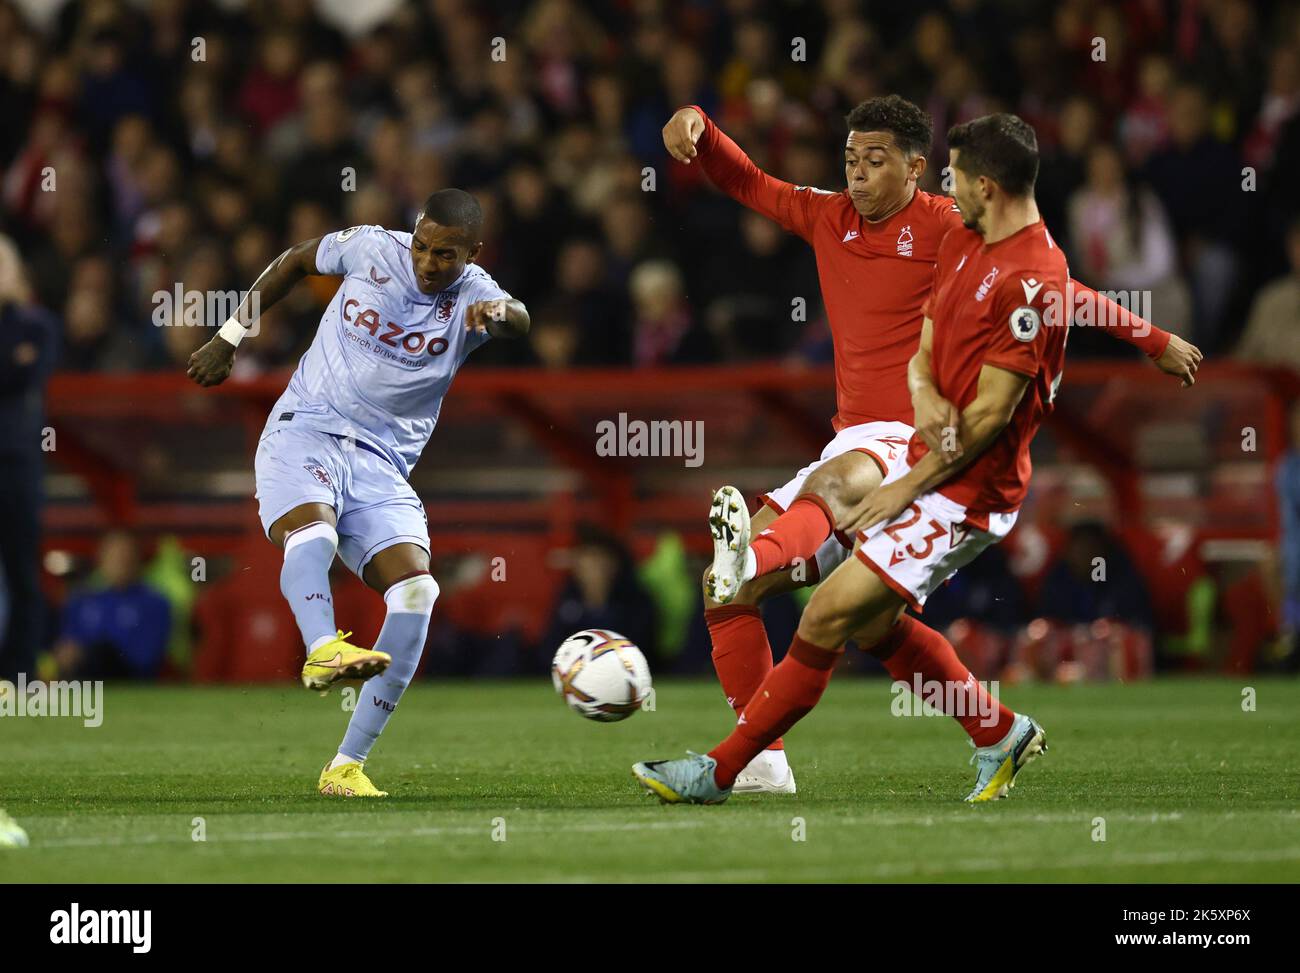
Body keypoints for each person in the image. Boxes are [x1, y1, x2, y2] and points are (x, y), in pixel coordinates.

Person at [634, 113, 1195, 805]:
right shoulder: (827, 218)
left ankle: (755, 567)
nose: (857, 173)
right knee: (780, 606)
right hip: (857, 434)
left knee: (829, 502)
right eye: (849, 158)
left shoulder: (951, 226)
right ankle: (772, 759)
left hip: (915, 438)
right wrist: (701, 131)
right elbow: (746, 182)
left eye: (874, 160)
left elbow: (1055, 290)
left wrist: (1150, 336)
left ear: (915, 168)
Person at [186, 189, 530, 797]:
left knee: (419, 590)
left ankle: (346, 766)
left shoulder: (476, 293)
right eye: (422, 246)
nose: (427, 262)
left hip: (382, 463)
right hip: (307, 427)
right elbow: (295, 259)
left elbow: (520, 318)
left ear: (472, 254)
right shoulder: (372, 247)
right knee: (312, 530)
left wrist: (499, 316)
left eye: (445, 255)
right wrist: (230, 336)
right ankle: (322, 645)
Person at [0, 234, 57, 681]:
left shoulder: (37, 325)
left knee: (22, 569)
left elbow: (25, 375)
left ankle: (19, 672)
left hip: (16, 462)